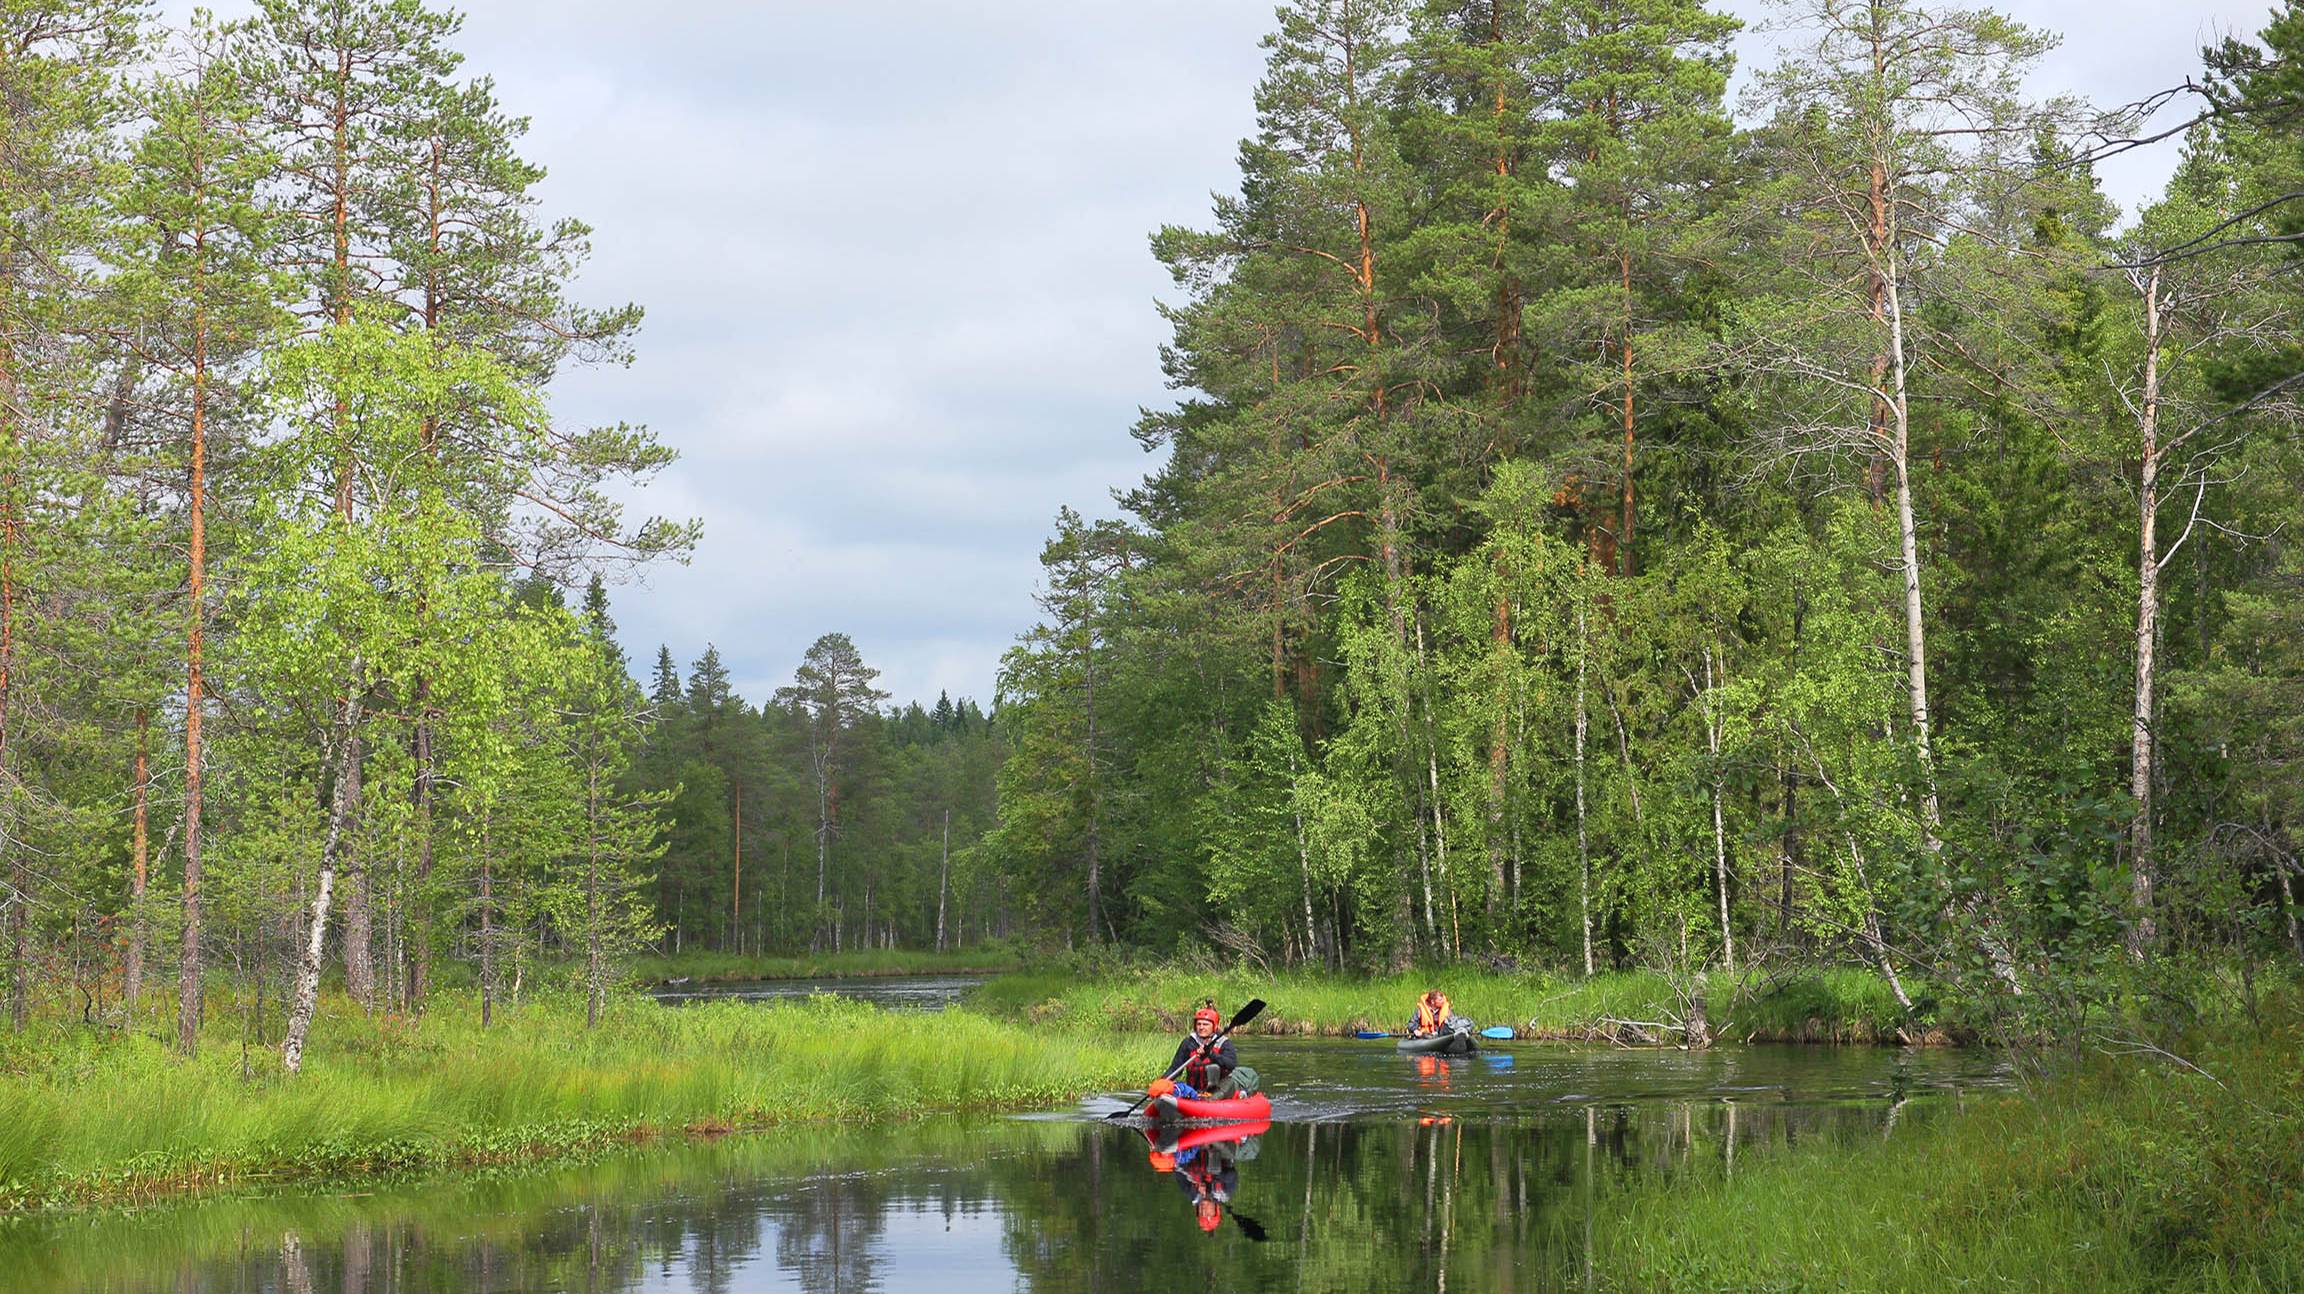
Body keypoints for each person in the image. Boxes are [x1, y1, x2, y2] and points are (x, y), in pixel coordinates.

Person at [1155, 1005, 1260, 1099]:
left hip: (1220, 1088)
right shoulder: (1188, 1043)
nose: (1201, 1027)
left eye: (1205, 1024)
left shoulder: (1224, 1043)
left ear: (1214, 1026)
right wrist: (1162, 1082)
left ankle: (1235, 1095)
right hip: (1195, 1090)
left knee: (1213, 1069)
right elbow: (1175, 1068)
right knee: (1170, 1088)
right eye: (1199, 1024)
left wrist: (1211, 1054)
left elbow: (1231, 1064)